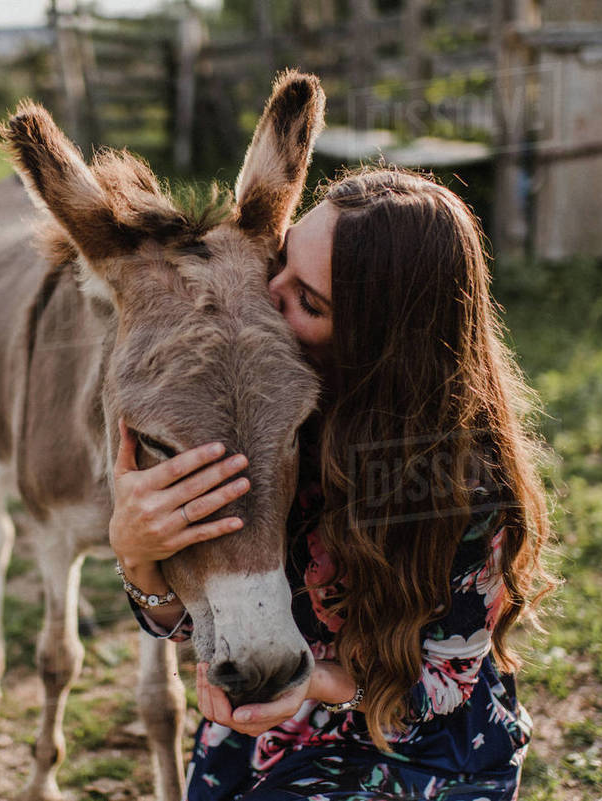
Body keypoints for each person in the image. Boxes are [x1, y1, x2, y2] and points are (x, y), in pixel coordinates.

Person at [109, 164, 555, 800]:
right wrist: (138, 552)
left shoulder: (463, 484)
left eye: (308, 301)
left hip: (415, 741)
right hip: (261, 721)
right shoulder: (270, 426)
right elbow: (192, 621)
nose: (268, 297)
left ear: (381, 344)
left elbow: (444, 683)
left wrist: (310, 682)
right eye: (279, 266)